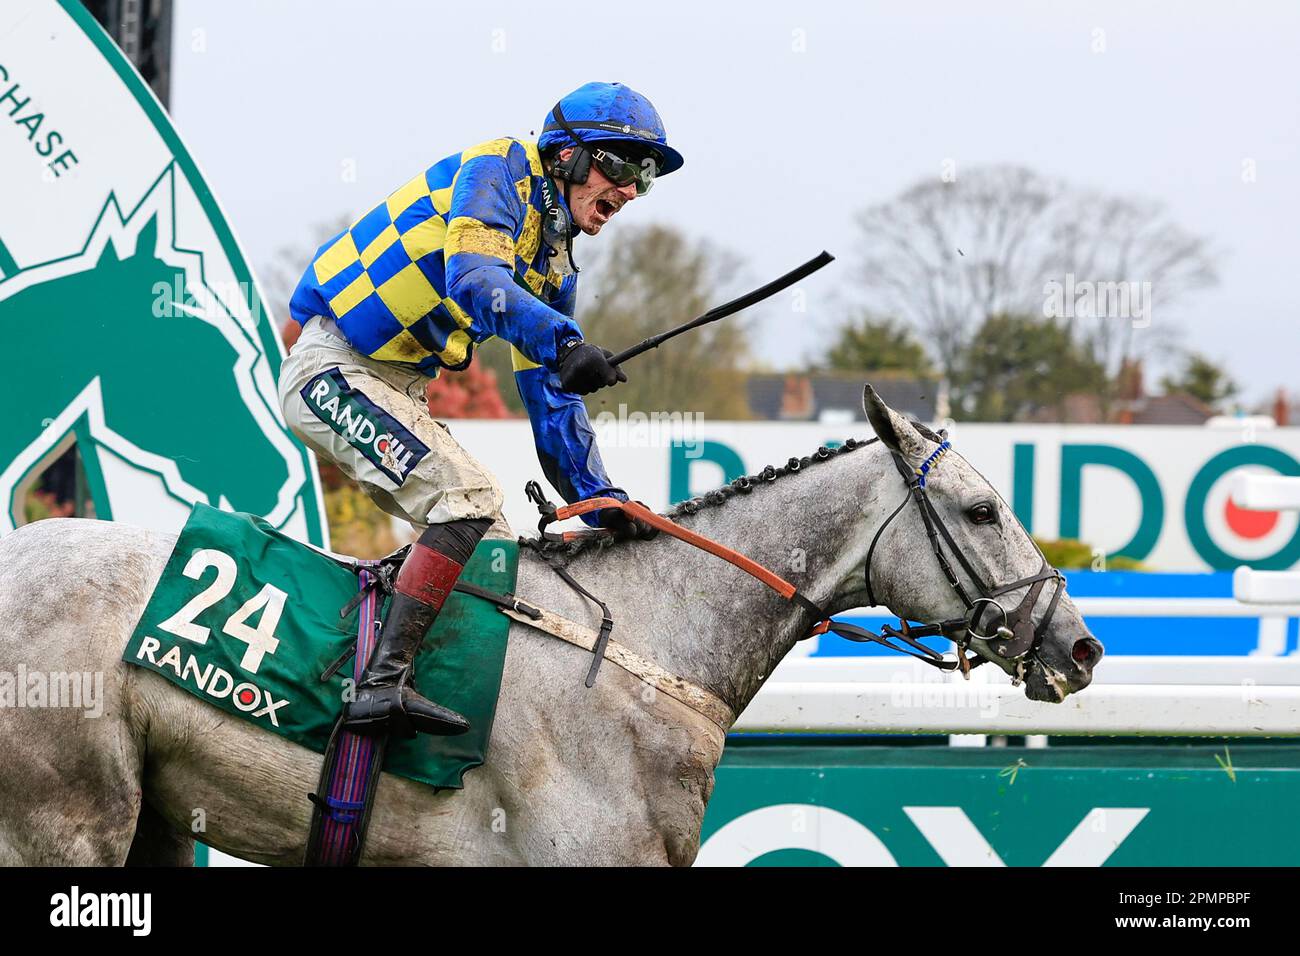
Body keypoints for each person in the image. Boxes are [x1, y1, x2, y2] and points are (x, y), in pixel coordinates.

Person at [277, 82, 681, 738]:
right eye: (623, 166)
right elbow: (475, 278)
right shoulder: (498, 169)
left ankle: (397, 688)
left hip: (396, 387)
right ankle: (377, 687)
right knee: (465, 497)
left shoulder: (554, 265)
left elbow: (551, 401)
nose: (632, 190)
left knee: (488, 542)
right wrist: (566, 341)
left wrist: (602, 500)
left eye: (646, 180)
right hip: (331, 371)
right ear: (567, 156)